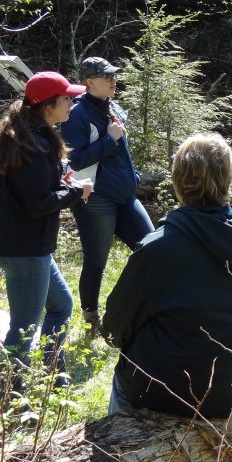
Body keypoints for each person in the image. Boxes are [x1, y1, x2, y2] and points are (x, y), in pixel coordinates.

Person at [103, 133, 232, 420]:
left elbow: (115, 327)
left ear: (178, 181)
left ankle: (114, 452)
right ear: (228, 181)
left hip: (164, 392)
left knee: (120, 385)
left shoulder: (158, 247)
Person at [0, 72, 92, 384]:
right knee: (24, 326)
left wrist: (64, 180)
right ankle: (12, 399)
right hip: (25, 250)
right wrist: (77, 192)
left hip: (28, 247)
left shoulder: (33, 135)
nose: (72, 103)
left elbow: (38, 187)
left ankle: (52, 377)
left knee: (61, 307)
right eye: (67, 98)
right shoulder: (31, 143)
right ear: (48, 105)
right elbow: (38, 203)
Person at [63, 57, 154, 336]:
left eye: (114, 75)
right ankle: (92, 321)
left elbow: (120, 151)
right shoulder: (77, 114)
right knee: (96, 260)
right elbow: (74, 161)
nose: (114, 80)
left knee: (151, 248)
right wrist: (108, 139)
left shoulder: (112, 107)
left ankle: (146, 310)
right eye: (107, 77)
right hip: (96, 197)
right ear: (90, 82)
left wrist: (133, 175)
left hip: (125, 195)